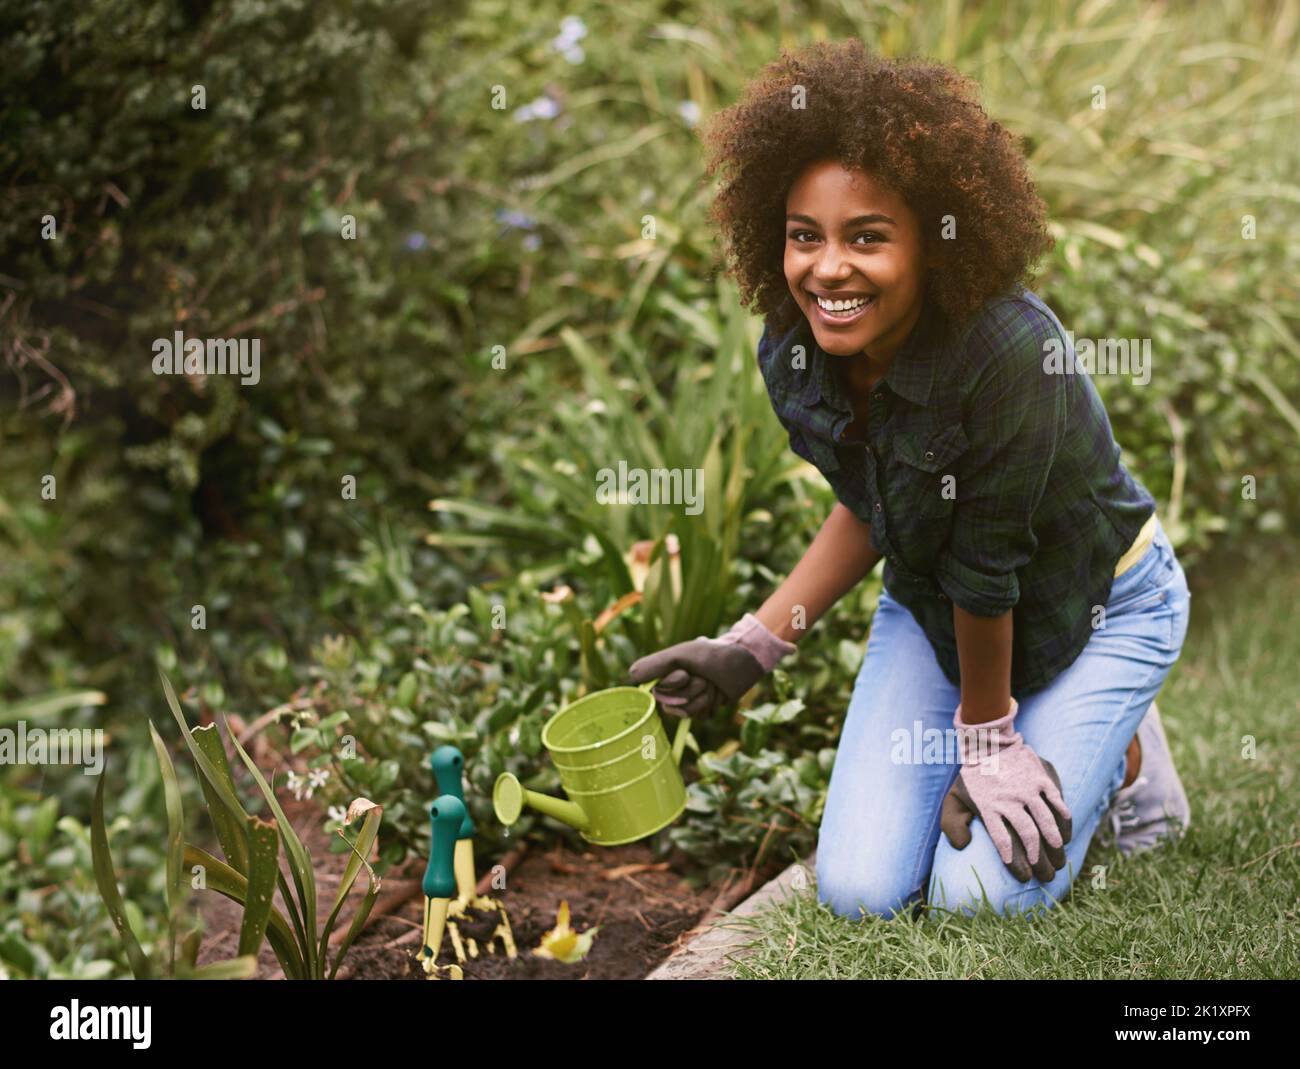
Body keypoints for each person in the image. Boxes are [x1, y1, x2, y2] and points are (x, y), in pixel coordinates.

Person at [628, 40, 1191, 920]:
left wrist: (989, 740)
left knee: (977, 901)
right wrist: (754, 648)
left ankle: (1123, 753)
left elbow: (987, 568)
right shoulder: (795, 351)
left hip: (1102, 601)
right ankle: (1074, 731)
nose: (827, 270)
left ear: (934, 244)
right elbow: (873, 504)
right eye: (803, 237)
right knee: (858, 891)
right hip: (943, 611)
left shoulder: (1011, 352)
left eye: (867, 238)